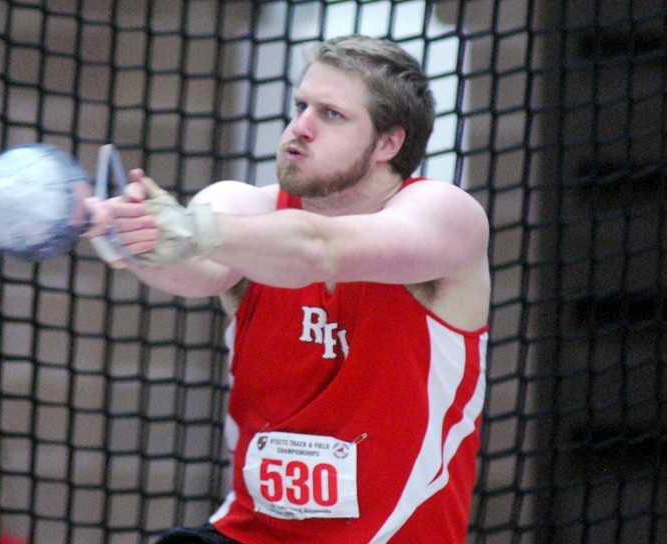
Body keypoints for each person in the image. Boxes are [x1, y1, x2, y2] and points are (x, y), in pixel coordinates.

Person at [84, 34, 490, 544]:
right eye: (301, 107)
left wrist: (194, 230)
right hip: (249, 535)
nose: (300, 127)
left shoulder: (446, 215)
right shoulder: (243, 207)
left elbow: (317, 250)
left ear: (388, 143)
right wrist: (133, 237)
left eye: (331, 115)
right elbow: (193, 273)